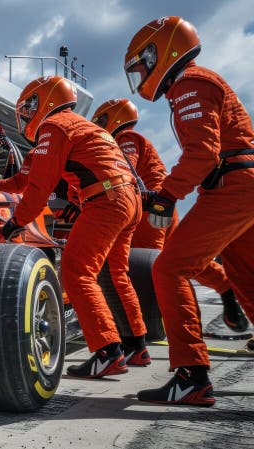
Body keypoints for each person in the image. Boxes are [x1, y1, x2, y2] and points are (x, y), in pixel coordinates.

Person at [125, 16, 254, 406]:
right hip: (240, 185)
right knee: (244, 275)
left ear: (159, 52)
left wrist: (167, 195)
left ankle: (191, 375)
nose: (142, 75)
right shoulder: (195, 83)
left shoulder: (189, 84)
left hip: (231, 187)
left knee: (168, 268)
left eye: (142, 66)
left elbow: (202, 152)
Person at [1, 75, 147, 379]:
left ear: (46, 101)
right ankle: (137, 344)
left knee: (77, 271)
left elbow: (39, 186)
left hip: (106, 199)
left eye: (30, 106)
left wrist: (15, 222)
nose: (27, 114)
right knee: (116, 275)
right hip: (129, 199)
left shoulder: (54, 127)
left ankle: (108, 351)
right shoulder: (80, 125)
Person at [92, 98, 248, 333]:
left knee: (145, 266)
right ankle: (225, 287)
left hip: (149, 211)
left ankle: (155, 326)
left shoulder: (126, 140)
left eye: (100, 121)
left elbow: (122, 170)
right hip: (162, 209)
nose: (97, 126)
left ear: (111, 118)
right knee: (177, 261)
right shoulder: (135, 140)